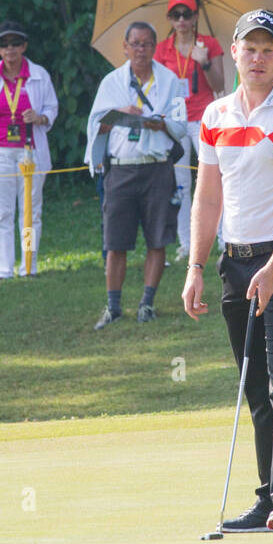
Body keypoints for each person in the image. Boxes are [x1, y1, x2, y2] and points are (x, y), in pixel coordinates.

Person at [182, 9, 273, 536]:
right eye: (250, 48)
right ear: (234, 51)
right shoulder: (216, 115)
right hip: (235, 261)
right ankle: (266, 497)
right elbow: (207, 197)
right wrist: (196, 266)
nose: (259, 57)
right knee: (256, 385)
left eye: (269, 48)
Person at [85, 22, 187, 326]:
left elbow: (180, 126)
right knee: (115, 242)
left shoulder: (170, 81)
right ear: (125, 48)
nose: (140, 50)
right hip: (120, 168)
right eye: (135, 44)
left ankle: (147, 303)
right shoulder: (111, 82)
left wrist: (162, 124)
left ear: (155, 47)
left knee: (157, 239)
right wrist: (118, 116)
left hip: (156, 167)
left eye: (146, 44)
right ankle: (113, 307)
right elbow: (95, 126)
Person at [0, 21, 59, 279]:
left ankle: (29, 266)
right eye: (4, 44)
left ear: (24, 46)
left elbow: (52, 108)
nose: (10, 49)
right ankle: (3, 270)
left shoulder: (39, 74)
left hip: (31, 150)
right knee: (2, 211)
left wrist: (38, 118)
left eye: (16, 43)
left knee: (31, 211)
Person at [154, 0, 225, 260]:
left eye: (187, 14)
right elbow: (158, 88)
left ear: (195, 17)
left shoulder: (209, 44)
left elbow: (219, 85)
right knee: (180, 182)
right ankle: (187, 242)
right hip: (176, 118)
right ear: (169, 19)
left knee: (215, 177)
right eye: (176, 15)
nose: (181, 20)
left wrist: (204, 61)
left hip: (205, 115)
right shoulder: (162, 49)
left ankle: (223, 238)